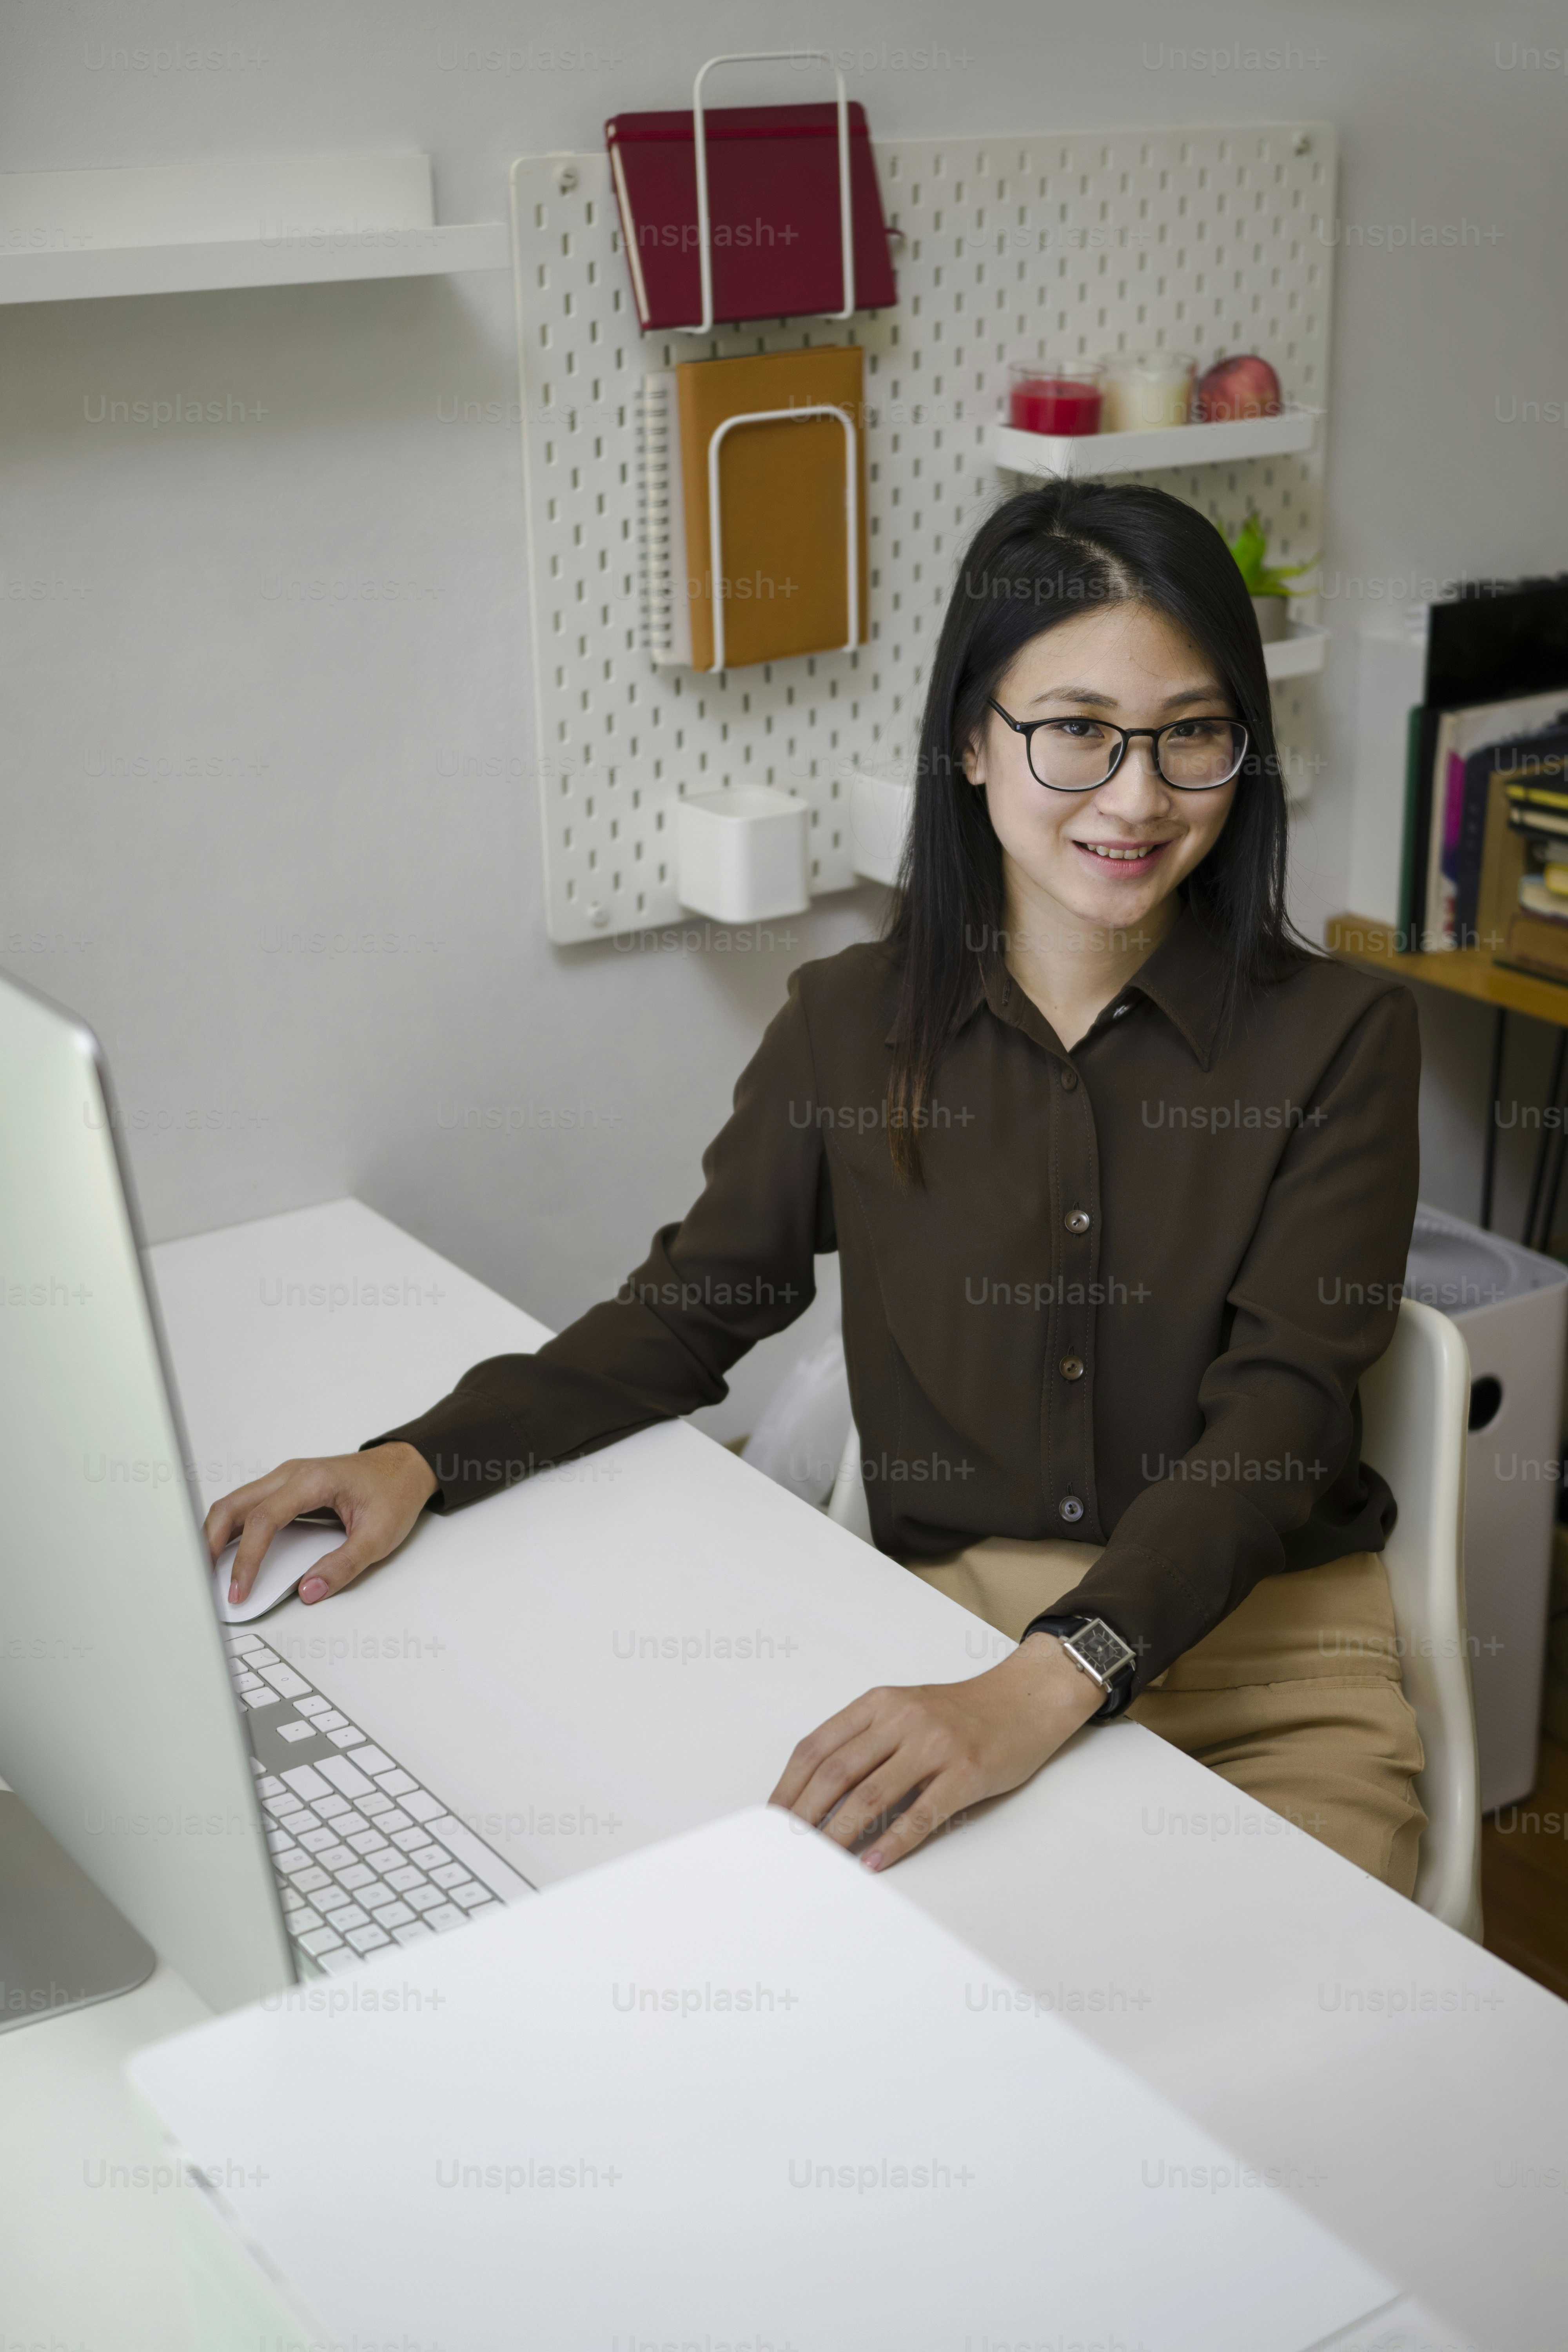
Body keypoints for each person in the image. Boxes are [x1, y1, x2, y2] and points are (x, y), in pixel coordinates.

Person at [208, 479, 1425, 1891]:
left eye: (1192, 735)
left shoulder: (1343, 1040)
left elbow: (1277, 1425)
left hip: (1269, 1662)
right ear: (972, 742)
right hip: (946, 1636)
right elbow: (689, 1313)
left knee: (1295, 2065)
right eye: (1077, 731)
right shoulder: (849, 1028)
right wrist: (419, 1456)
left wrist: (1047, 1687)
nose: (1139, 797)